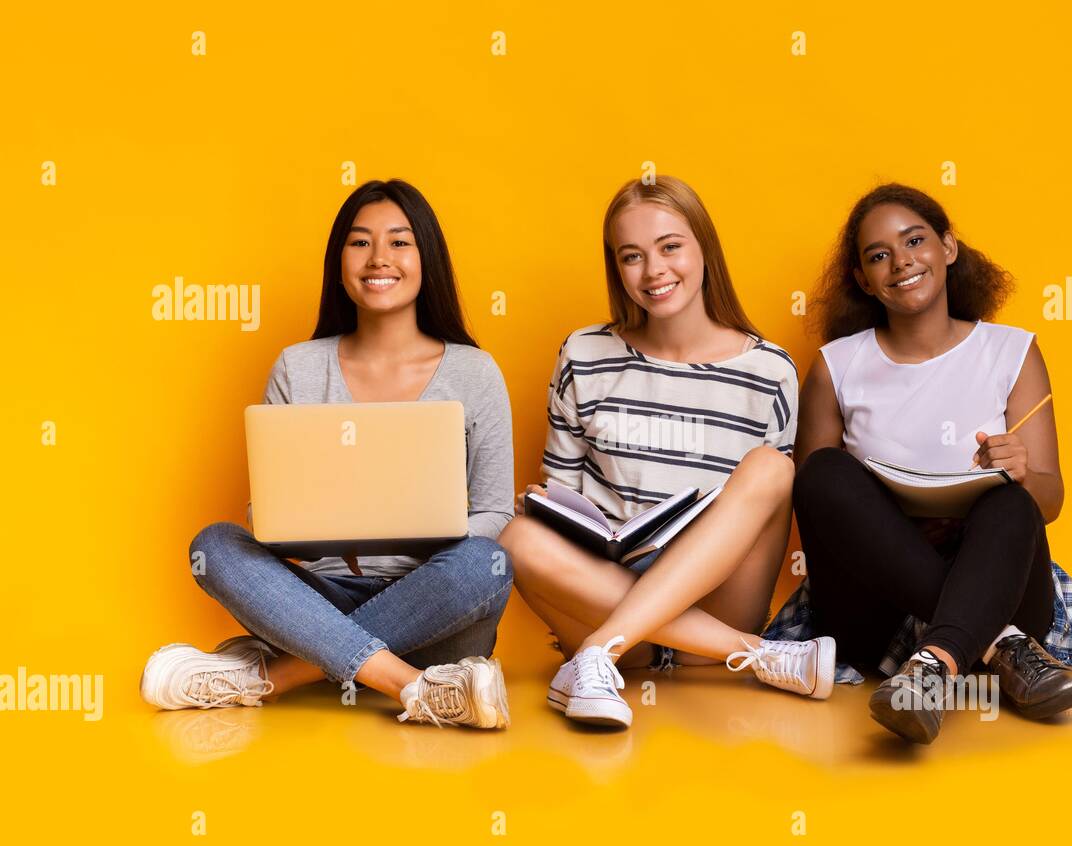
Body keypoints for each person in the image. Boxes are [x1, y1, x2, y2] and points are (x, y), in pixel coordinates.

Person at [140, 179, 515, 728]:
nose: (378, 258)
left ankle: (271, 677)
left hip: (436, 607)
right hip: (320, 596)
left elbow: (497, 512)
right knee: (215, 544)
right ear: (339, 262)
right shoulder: (298, 367)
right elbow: (262, 513)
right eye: (360, 242)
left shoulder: (474, 372)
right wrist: (280, 524)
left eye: (399, 242)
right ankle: (412, 686)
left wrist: (427, 534)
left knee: (488, 562)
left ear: (426, 257)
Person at [498, 175, 834, 730]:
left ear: (704, 248)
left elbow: (764, 512)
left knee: (773, 469)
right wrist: (549, 507)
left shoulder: (769, 371)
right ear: (616, 268)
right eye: (632, 256)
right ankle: (758, 654)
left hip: (717, 600)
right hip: (608, 600)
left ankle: (598, 652)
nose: (654, 271)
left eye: (670, 247)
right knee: (516, 538)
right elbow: (561, 498)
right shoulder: (584, 354)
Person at [792, 183, 1072, 744]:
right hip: (876, 609)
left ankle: (933, 667)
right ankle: (999, 646)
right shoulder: (837, 365)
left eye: (915, 241)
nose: (901, 261)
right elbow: (817, 506)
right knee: (822, 472)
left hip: (993, 580)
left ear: (949, 248)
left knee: (1010, 499)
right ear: (863, 279)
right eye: (878, 255)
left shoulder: (1012, 351)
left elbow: (1050, 504)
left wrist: (1023, 472)